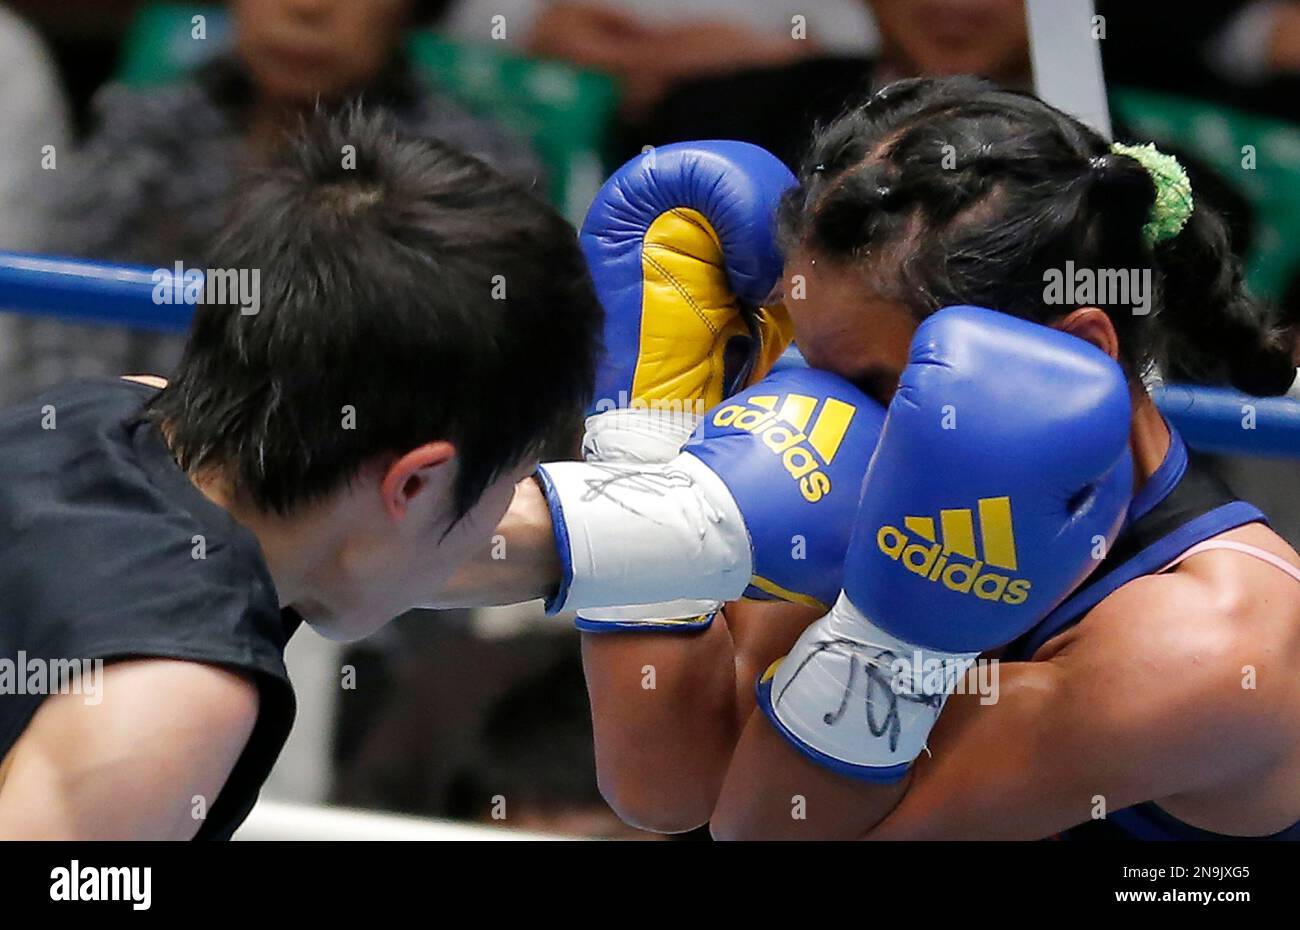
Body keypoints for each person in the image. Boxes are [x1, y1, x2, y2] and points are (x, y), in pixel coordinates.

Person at [437, 77, 1300, 840]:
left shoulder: (1205, 648)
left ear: (1070, 351)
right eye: (811, 366)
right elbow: (665, 781)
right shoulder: (861, 476)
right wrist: (647, 437)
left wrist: (890, 641)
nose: (821, 418)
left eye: (877, 383)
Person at [0, 108, 601, 840]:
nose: (497, 516)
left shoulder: (108, 416)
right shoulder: (168, 696)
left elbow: (415, 548)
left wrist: (695, 535)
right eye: (504, 484)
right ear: (413, 484)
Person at [0, 0, 539, 404]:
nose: (307, 7)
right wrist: (116, 444)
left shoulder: (475, 168)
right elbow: (54, 323)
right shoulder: (144, 131)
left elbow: (479, 388)